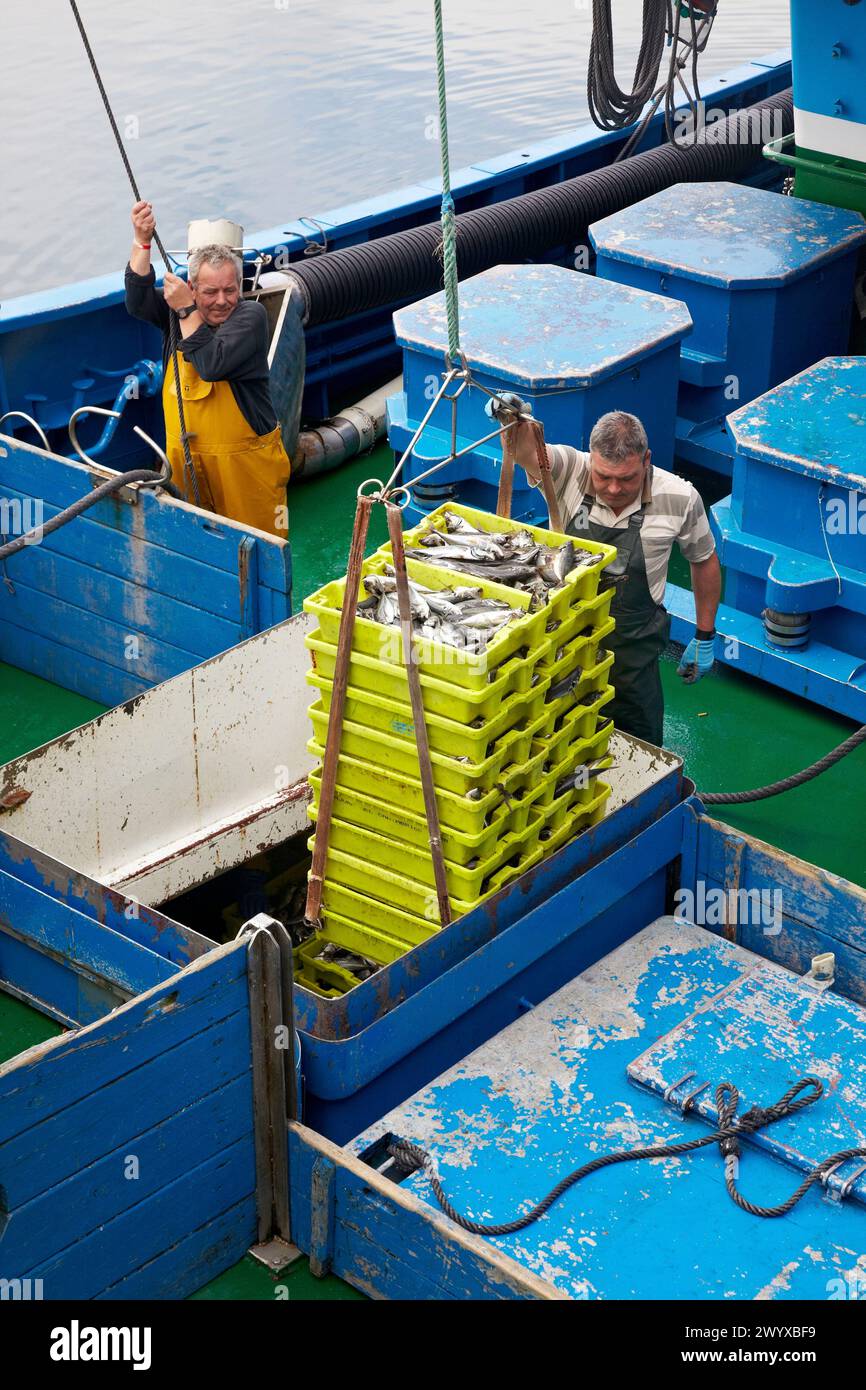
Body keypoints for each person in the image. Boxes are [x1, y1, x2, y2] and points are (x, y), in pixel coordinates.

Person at [505, 407, 721, 745]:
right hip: (564, 641)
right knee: (558, 739)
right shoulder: (566, 468)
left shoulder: (679, 497)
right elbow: (523, 452)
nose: (615, 488)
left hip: (632, 651)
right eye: (603, 476)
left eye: (627, 478)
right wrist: (512, 421)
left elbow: (703, 559)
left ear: (647, 459)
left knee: (638, 745)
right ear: (590, 458)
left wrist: (705, 634)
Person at [124, 200, 291, 538]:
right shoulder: (175, 313)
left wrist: (187, 310)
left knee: (263, 548)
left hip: (247, 469)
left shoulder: (250, 317)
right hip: (187, 462)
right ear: (193, 289)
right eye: (210, 291)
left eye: (230, 290)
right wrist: (142, 241)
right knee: (195, 545)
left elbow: (213, 364)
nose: (221, 300)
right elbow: (137, 300)